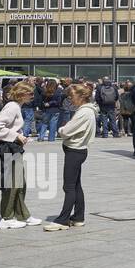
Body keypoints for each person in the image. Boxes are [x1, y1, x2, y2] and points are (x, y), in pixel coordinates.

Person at [44, 83, 96, 231]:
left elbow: (66, 131)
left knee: (68, 187)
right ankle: (79, 217)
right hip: (78, 150)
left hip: (75, 150)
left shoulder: (84, 112)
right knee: (76, 185)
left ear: (81, 96)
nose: (70, 99)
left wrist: (61, 129)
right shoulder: (87, 111)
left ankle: (63, 220)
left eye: (72, 96)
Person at [0, 82, 41, 230]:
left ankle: (22, 214)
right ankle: (6, 217)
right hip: (9, 149)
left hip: (13, 148)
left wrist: (19, 136)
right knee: (12, 183)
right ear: (21, 93)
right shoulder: (12, 106)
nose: (32, 96)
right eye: (30, 93)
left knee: (19, 183)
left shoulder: (16, 106)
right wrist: (16, 136)